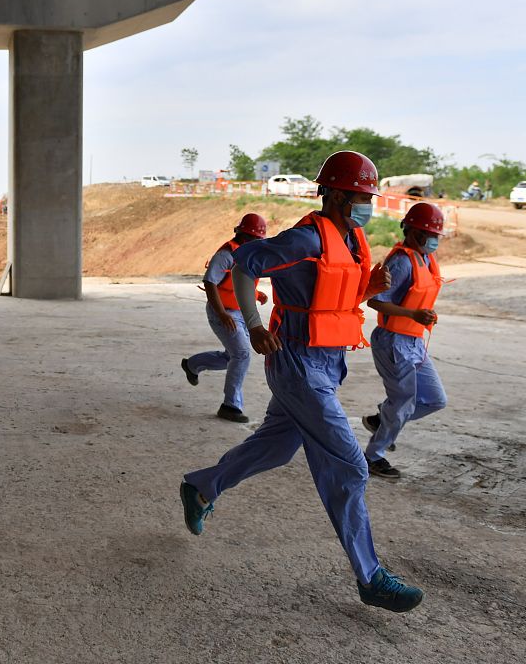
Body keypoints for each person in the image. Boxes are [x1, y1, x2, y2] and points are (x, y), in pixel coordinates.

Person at [178, 151, 426, 613]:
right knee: (350, 466)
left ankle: (201, 487)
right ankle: (370, 576)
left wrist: (368, 290)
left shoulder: (351, 240)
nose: (364, 204)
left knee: (276, 446)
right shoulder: (304, 238)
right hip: (295, 362)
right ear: (332, 193)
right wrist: (252, 325)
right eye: (357, 195)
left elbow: (330, 296)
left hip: (328, 363)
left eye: (367, 196)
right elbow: (245, 263)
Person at [361, 202, 448, 480]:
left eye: (435, 235)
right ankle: (373, 457)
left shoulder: (425, 259)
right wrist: (412, 313)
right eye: (429, 234)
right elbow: (375, 300)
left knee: (435, 400)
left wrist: (422, 316)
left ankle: (381, 420)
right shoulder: (400, 262)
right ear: (413, 232)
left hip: (414, 341)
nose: (433, 240)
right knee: (403, 402)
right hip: (393, 341)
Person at [180, 212, 268, 423]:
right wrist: (221, 314)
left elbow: (238, 284)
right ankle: (231, 405)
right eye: (254, 239)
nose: (256, 243)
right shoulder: (226, 255)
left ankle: (193, 364)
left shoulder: (247, 254)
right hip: (223, 312)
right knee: (242, 355)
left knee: (234, 356)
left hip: (239, 312)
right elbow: (211, 283)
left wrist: (257, 294)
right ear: (244, 235)